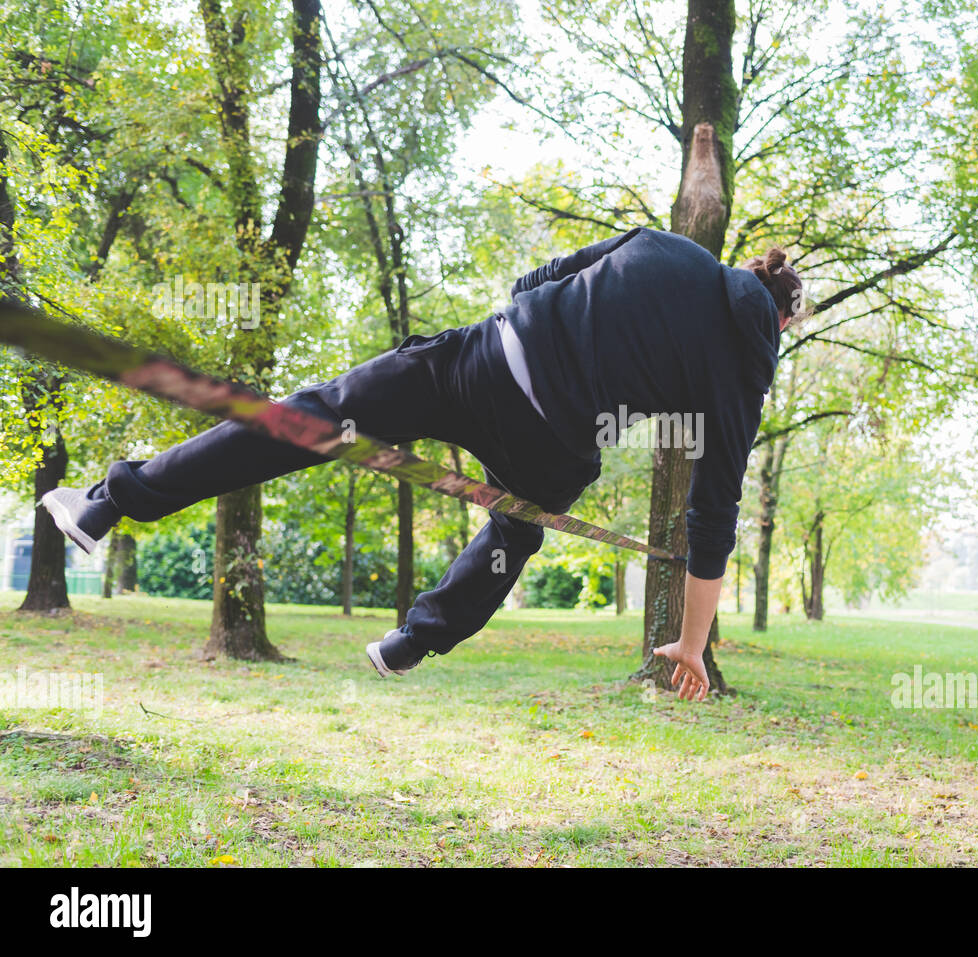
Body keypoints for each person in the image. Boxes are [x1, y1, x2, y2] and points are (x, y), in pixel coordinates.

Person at [42, 227, 803, 700]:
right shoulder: (740, 379)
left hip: (486, 363)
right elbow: (713, 520)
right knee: (514, 531)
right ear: (777, 324)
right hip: (553, 446)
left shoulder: (665, 246)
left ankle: (110, 501)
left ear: (746, 268)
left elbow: (536, 281)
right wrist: (691, 643)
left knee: (300, 421)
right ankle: (416, 639)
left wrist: (535, 327)